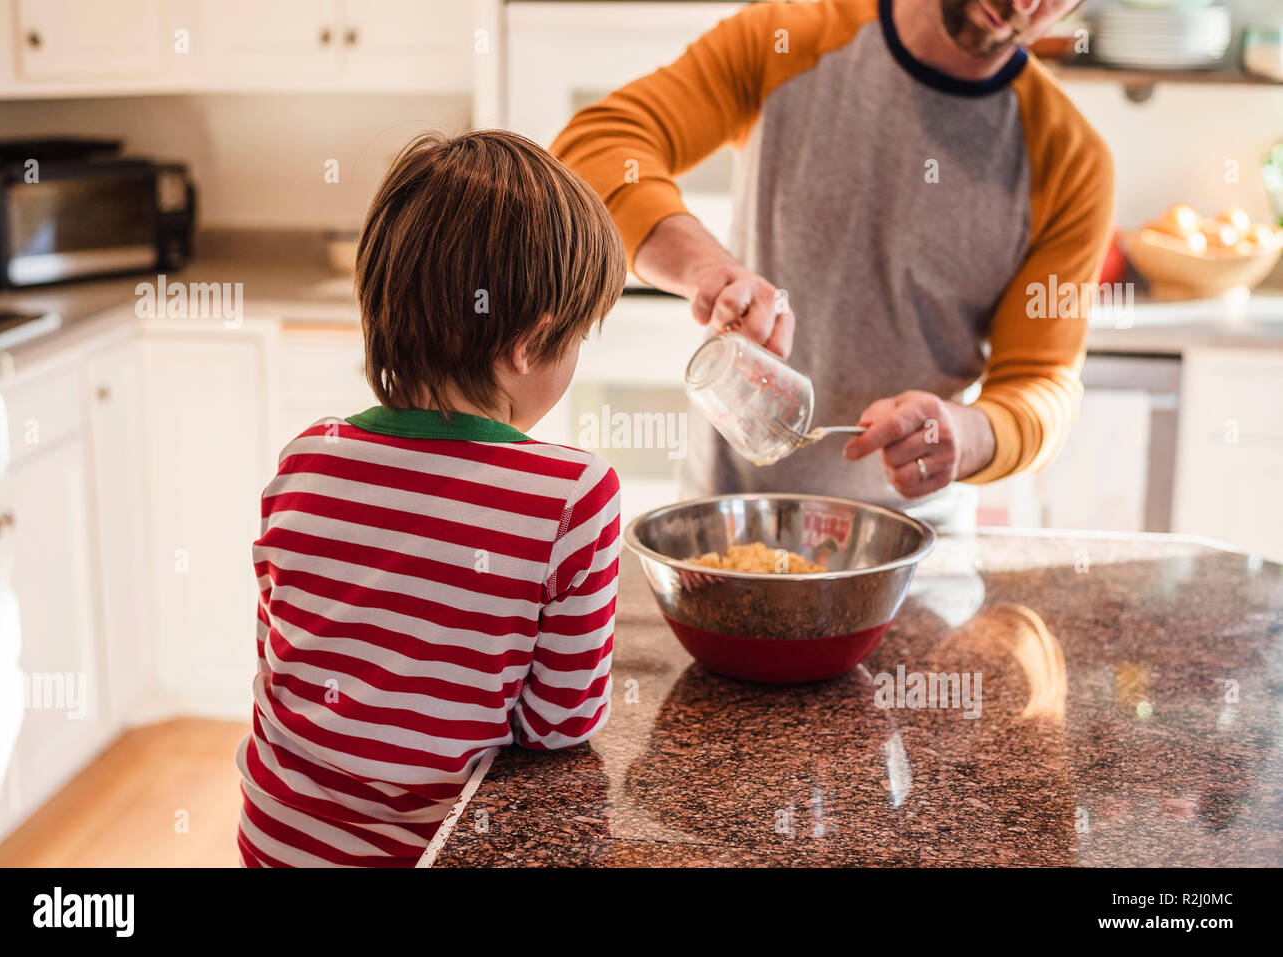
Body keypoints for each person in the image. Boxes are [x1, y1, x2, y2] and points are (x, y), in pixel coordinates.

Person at [553, 0, 1112, 530]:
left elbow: (1042, 381)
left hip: (909, 544)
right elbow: (597, 148)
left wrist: (970, 434)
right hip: (725, 525)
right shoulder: (789, 38)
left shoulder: (1070, 161)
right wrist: (706, 271)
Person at [235, 130, 626, 867]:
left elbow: (282, 659)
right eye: (579, 335)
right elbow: (559, 724)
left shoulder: (307, 459)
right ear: (532, 343)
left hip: (278, 839)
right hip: (428, 852)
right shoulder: (573, 497)